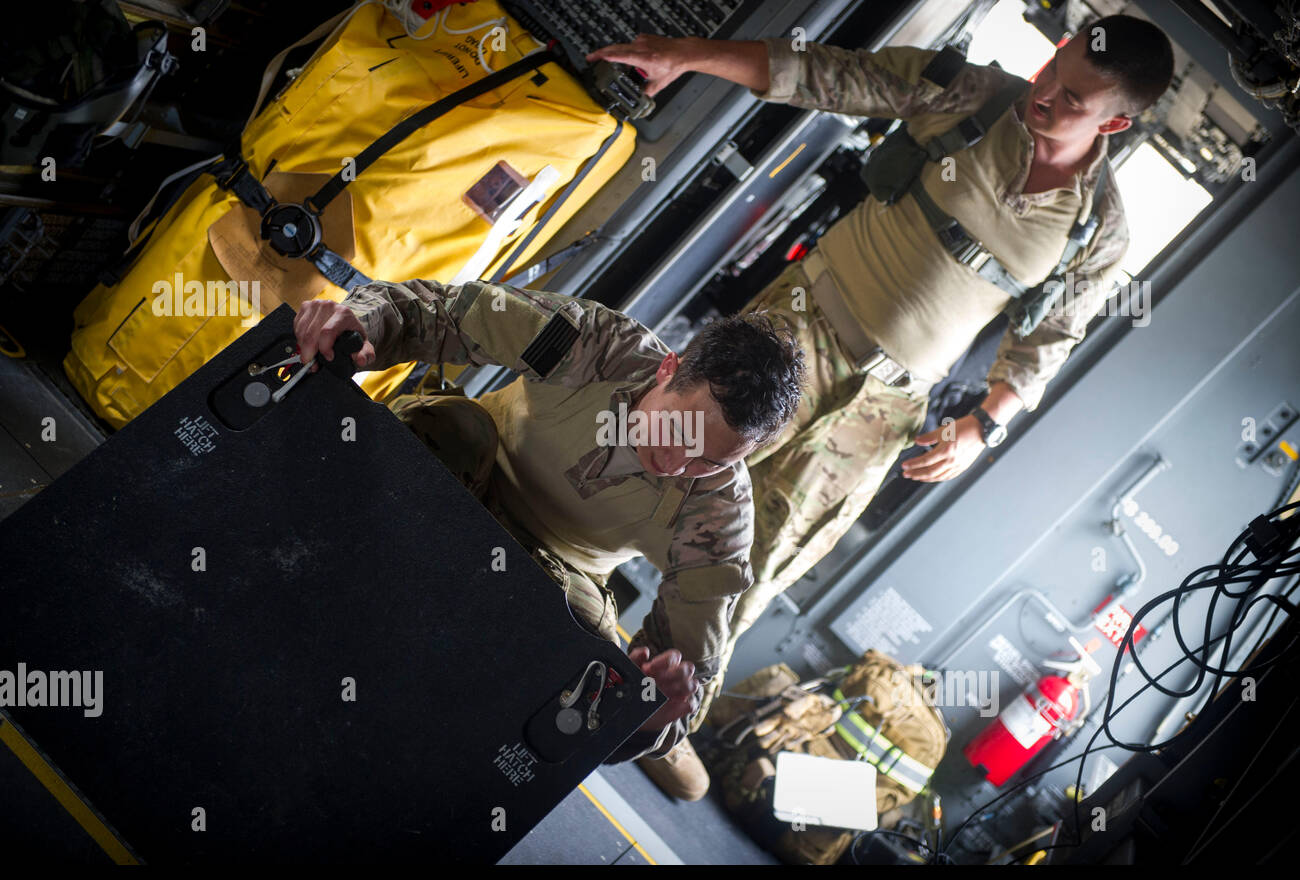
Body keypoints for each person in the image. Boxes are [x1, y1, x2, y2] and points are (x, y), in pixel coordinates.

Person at [588, 14, 1173, 793]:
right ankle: (552, 595)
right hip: (793, 328)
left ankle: (653, 702)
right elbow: (826, 71)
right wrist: (684, 53)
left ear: (1117, 122)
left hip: (885, 404)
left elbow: (1049, 338)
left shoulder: (1100, 227)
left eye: (1072, 98)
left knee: (765, 552)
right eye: (1050, 70)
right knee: (664, 460)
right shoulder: (971, 95)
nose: (1043, 95)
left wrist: (983, 424)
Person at [292, 278, 804, 793]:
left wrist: (646, 710)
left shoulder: (719, 519)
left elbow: (681, 688)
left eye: (708, 461)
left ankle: (425, 753)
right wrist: (360, 323)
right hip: (456, 471)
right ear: (667, 368)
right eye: (676, 430)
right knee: (456, 429)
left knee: (591, 658)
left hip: (547, 576)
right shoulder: (598, 345)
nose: (675, 463)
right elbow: (441, 313)